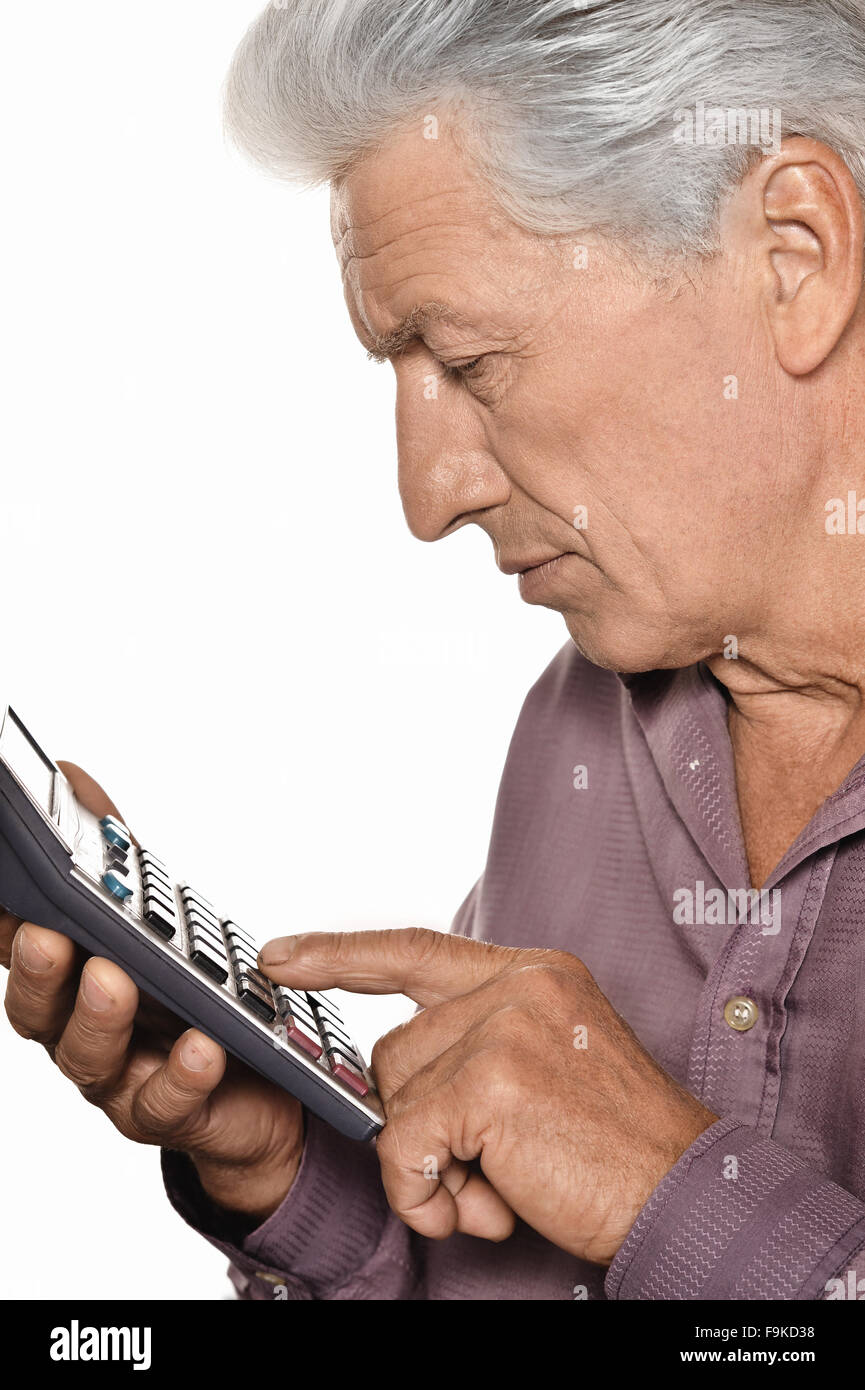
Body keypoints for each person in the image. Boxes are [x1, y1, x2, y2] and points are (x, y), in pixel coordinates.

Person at [4, 0, 865, 1299]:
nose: (427, 499)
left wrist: (670, 1195)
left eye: (468, 360)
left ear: (791, 254)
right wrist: (302, 1177)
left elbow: (645, 1212)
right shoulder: (576, 726)